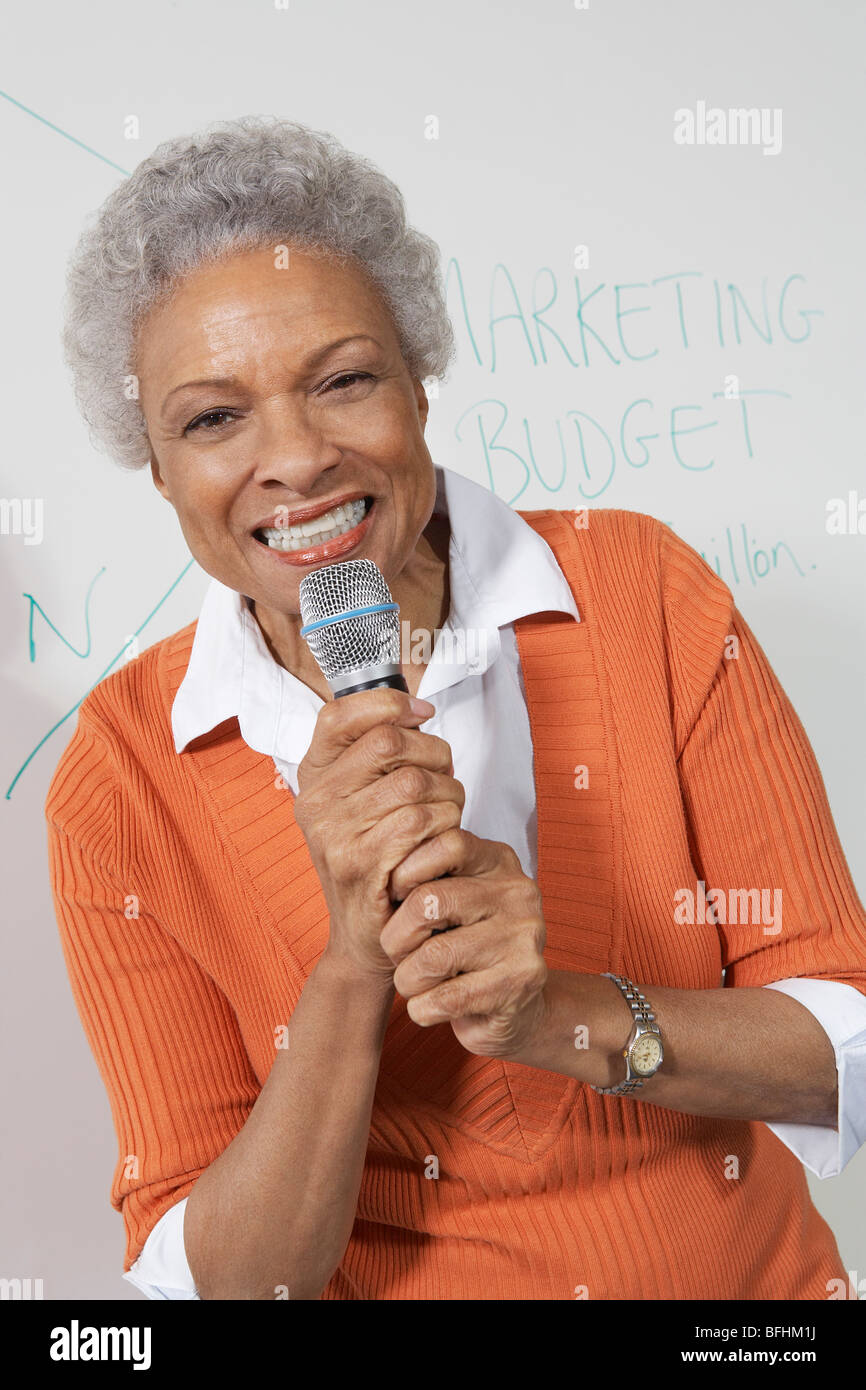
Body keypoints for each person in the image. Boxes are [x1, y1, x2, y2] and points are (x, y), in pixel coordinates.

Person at [46, 114, 866, 1301]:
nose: (296, 459)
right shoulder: (123, 777)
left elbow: (844, 1045)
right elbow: (226, 1287)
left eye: (341, 380)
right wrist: (349, 967)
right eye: (214, 418)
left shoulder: (643, 594)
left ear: (417, 385)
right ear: (157, 467)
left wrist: (554, 1015)